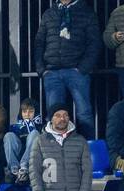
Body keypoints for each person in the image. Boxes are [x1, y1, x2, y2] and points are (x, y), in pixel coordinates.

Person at [33, 0, 100, 135]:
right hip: (52, 71)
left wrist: (83, 68)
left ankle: (87, 150)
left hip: (77, 71)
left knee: (84, 113)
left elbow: (95, 42)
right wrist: (41, 69)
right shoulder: (49, 13)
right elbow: (39, 42)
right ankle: (55, 151)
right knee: (54, 115)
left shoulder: (86, 12)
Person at [29, 104, 93, 191]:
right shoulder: (40, 141)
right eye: (57, 115)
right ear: (50, 119)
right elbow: (34, 171)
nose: (62, 118)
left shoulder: (80, 141)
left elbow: (87, 170)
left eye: (65, 115)